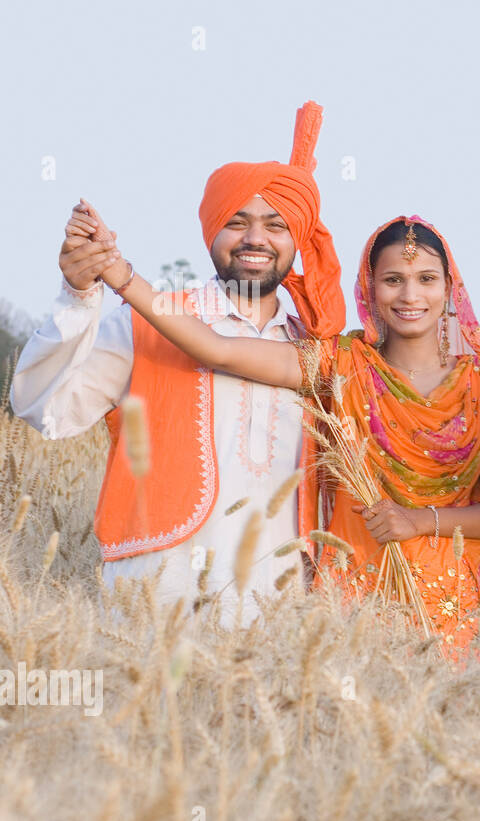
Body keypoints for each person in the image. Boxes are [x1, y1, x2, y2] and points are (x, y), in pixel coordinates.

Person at [65, 209, 480, 656]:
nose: (410, 296)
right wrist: (120, 274)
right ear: (369, 288)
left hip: (454, 597)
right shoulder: (340, 365)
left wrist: (420, 522)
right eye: (393, 280)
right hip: (356, 594)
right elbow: (217, 348)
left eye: (426, 280)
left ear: (448, 288)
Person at [11, 102, 345, 625]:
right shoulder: (144, 323)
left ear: (296, 239)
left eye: (276, 224)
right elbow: (43, 408)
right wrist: (78, 295)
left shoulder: (325, 350)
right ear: (210, 231)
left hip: (285, 618)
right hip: (158, 602)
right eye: (237, 221)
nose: (256, 238)